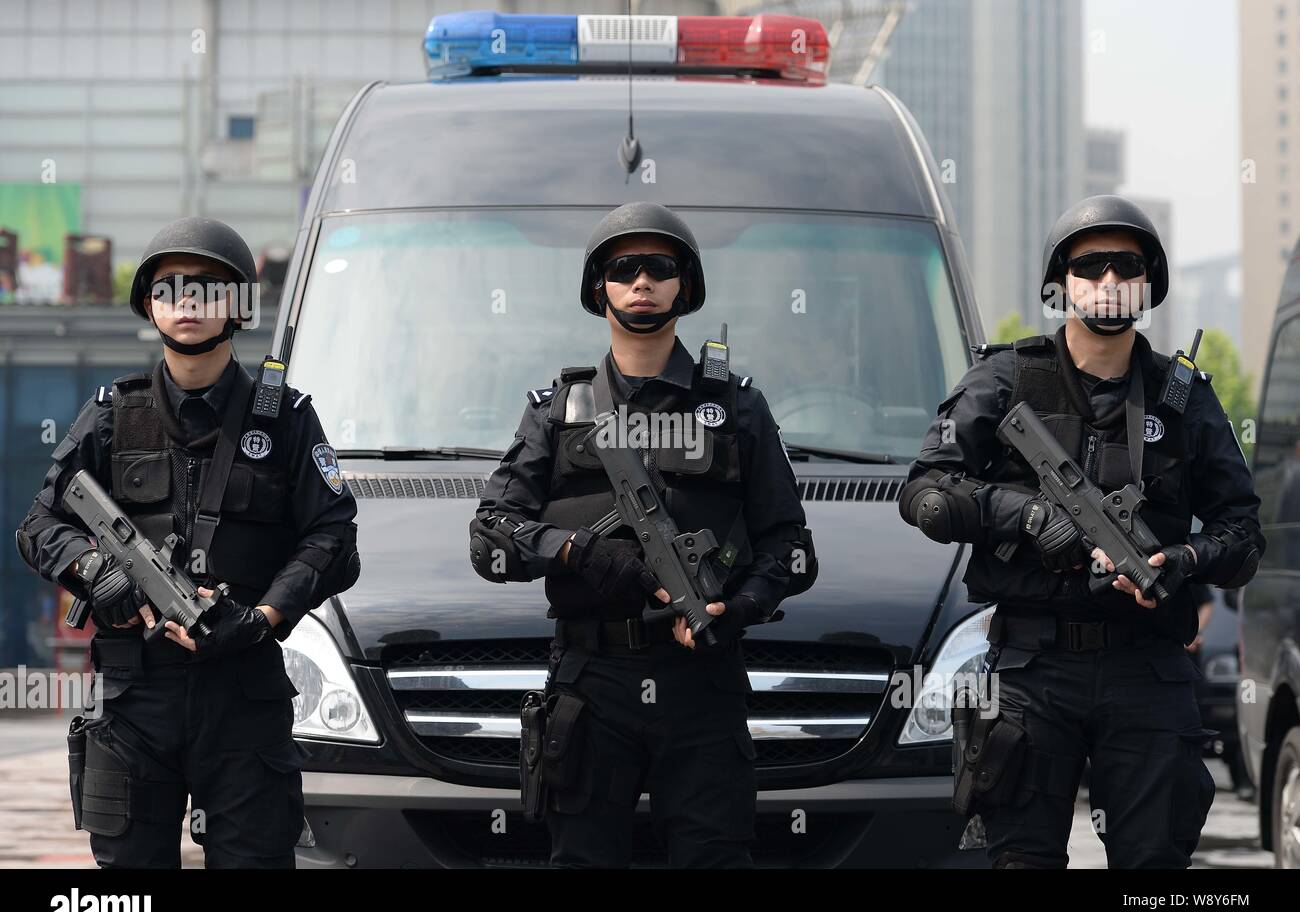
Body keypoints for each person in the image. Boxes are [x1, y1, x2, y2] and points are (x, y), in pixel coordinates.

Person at [900, 195, 1264, 868]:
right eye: (1089, 265)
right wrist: (1030, 517)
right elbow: (924, 493)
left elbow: (1243, 533)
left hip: (1148, 666)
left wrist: (1184, 558)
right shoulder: (1007, 378)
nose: (1107, 281)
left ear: (1148, 283)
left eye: (1125, 265)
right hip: (1032, 670)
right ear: (1060, 282)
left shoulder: (1182, 396)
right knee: (1021, 860)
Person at [470, 202, 815, 867]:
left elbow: (790, 549)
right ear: (598, 285)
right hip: (591, 682)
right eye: (623, 268)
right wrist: (581, 552)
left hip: (702, 682)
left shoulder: (737, 405)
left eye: (660, 268)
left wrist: (739, 607)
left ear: (685, 285)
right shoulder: (556, 410)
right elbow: (490, 536)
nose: (641, 283)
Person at [15, 217, 361, 868]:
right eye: (171, 287)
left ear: (239, 307)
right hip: (133, 699)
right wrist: (94, 569)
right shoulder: (114, 414)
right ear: (149, 303)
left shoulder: (284, 417)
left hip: (245, 697)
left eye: (209, 287)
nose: (189, 301)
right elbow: (38, 526)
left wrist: (262, 620)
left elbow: (334, 536)